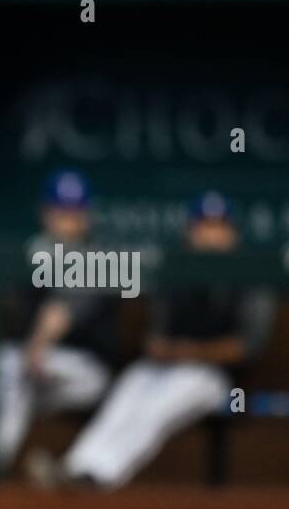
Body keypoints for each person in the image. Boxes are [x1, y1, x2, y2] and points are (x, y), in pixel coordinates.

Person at [60, 192, 275, 488]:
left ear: (232, 233)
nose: (211, 235)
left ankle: (100, 475)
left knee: (162, 400)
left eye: (219, 227)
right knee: (131, 385)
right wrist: (161, 348)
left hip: (219, 379)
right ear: (190, 231)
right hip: (167, 366)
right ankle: (76, 465)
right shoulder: (175, 272)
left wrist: (191, 351)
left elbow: (247, 347)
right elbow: (155, 336)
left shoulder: (250, 277)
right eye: (204, 226)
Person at [0, 170, 115, 474]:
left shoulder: (97, 258)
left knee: (17, 371)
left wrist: (34, 348)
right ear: (45, 214)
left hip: (87, 372)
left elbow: (59, 314)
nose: (67, 221)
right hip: (38, 372)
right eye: (60, 212)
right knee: (10, 373)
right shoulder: (29, 253)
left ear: (87, 217)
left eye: (74, 213)